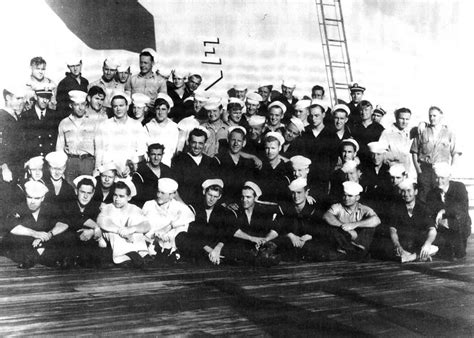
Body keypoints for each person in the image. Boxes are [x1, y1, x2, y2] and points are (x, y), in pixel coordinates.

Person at [2, 181, 74, 269]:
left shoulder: (50, 208)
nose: (32, 202)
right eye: (29, 197)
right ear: (26, 196)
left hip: (43, 243)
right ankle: (45, 256)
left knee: (65, 237)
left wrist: (48, 235)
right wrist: (35, 233)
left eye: (36, 198)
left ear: (42, 198)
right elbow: (11, 226)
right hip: (26, 245)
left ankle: (36, 255)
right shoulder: (19, 208)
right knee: (14, 239)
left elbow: (64, 223)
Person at [371, 178, 438, 263]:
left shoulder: (423, 207)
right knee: (383, 245)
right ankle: (417, 256)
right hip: (402, 242)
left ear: (416, 192)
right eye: (403, 191)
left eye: (409, 190)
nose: (406, 194)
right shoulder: (395, 207)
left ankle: (410, 257)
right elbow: (392, 230)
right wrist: (397, 245)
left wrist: (427, 244)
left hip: (417, 242)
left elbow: (432, 229)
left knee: (436, 243)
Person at [175, 179, 236, 265]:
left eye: (215, 197)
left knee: (232, 241)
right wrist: (211, 251)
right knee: (181, 236)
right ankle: (210, 258)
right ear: (204, 192)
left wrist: (217, 249)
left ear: (219, 197)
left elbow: (225, 232)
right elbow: (193, 233)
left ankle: (214, 257)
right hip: (199, 245)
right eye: (209, 195)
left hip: (215, 245)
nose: (211, 199)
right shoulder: (194, 208)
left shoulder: (222, 211)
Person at [274, 178, 336, 261]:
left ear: (306, 193)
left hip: (309, 241)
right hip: (291, 242)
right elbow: (278, 227)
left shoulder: (314, 208)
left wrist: (310, 236)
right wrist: (290, 235)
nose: (296, 196)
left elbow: (322, 228)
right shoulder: (285, 208)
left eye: (299, 192)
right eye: (293, 193)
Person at [411, 106, 461, 202]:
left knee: (441, 197)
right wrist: (419, 171)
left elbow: (455, 153)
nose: (432, 118)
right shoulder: (422, 131)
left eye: (434, 115)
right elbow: (414, 152)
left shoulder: (449, 133)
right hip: (425, 169)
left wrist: (450, 170)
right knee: (424, 198)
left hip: (441, 170)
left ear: (441, 116)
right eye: (430, 116)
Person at [97, 180, 151, 268]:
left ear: (129, 197)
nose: (117, 199)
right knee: (112, 233)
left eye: (121, 196)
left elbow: (147, 225)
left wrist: (131, 229)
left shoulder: (134, 208)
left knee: (137, 228)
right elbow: (101, 221)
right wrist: (120, 231)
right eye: (115, 195)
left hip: (129, 238)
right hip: (112, 239)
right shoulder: (108, 207)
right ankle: (123, 257)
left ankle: (141, 254)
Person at [227, 182, 281, 266]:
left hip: (259, 248)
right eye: (242, 197)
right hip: (242, 249)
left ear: (255, 198)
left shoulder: (264, 211)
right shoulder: (235, 210)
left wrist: (265, 239)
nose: (244, 200)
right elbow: (232, 230)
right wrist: (252, 238)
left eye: (248, 197)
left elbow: (277, 228)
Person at [323, 181, 381, 258]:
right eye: (344, 195)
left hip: (358, 240)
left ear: (357, 197)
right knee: (332, 228)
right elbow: (326, 216)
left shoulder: (363, 208)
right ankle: (353, 251)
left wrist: (354, 225)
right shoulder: (337, 206)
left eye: (350, 196)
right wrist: (344, 227)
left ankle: (353, 249)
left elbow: (377, 220)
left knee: (371, 227)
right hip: (344, 238)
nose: (346, 198)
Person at [142, 178, 195, 260]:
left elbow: (191, 216)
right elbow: (141, 224)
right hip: (150, 245)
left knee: (182, 226)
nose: (158, 195)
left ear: (172, 195)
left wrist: (170, 226)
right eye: (158, 192)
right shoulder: (149, 204)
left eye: (162, 193)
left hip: (170, 247)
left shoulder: (178, 206)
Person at [426, 163, 471, 260]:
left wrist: (444, 211)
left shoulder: (459, 188)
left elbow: (462, 208)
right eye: (437, 178)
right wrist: (440, 221)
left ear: (449, 177)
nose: (439, 181)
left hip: (459, 227)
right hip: (441, 227)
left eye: (442, 178)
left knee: (457, 254)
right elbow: (430, 211)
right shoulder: (432, 193)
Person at [95, 92, 147, 174]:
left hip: (129, 172)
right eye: (115, 106)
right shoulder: (104, 125)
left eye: (121, 106)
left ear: (127, 107)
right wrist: (98, 171)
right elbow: (99, 153)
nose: (118, 109)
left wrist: (131, 165)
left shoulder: (136, 125)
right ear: (112, 108)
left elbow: (141, 151)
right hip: (108, 172)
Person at [65, 175, 110, 267]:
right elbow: (76, 219)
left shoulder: (96, 207)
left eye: (89, 193)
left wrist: (92, 232)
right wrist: (95, 227)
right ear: (76, 191)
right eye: (82, 192)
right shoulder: (69, 204)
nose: (85, 196)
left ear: (93, 193)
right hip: (68, 246)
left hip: (87, 248)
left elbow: (105, 224)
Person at [56, 90, 97, 184]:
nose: (80, 108)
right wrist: (60, 167)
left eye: (83, 104)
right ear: (71, 105)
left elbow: (98, 148)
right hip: (71, 162)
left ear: (86, 105)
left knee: (87, 190)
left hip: (88, 162)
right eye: (77, 105)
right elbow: (59, 148)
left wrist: (97, 168)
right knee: (70, 192)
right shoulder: (64, 123)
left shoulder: (93, 123)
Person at [301, 99, 339, 196]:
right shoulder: (305, 132)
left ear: (324, 115)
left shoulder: (331, 135)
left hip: (323, 180)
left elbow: (333, 160)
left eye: (317, 115)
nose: (313, 119)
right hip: (306, 178)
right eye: (311, 116)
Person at [171, 128, 215, 204]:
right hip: (184, 204)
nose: (197, 146)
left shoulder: (210, 162)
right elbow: (174, 188)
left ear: (205, 144)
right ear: (189, 142)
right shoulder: (179, 160)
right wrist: (184, 207)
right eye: (194, 142)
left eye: (200, 143)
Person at [213, 127, 256, 204]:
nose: (236, 143)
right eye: (233, 140)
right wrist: (225, 203)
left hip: (242, 204)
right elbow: (215, 187)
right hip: (223, 204)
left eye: (239, 141)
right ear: (228, 140)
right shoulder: (218, 160)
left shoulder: (247, 163)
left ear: (244, 143)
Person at [21, 89, 60, 160]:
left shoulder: (55, 116)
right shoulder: (25, 116)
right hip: (33, 161)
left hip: (50, 162)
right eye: (42, 97)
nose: (45, 101)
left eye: (48, 97)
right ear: (35, 97)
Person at [132, 143, 173, 208]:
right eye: (153, 154)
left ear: (162, 155)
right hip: (146, 207)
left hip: (165, 206)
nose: (156, 158)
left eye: (159, 155)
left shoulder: (166, 169)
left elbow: (173, 191)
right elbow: (138, 198)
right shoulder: (140, 171)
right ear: (148, 154)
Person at [0, 85, 27, 183]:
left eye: (22, 99)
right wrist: (4, 167)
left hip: (17, 169)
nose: (21, 102)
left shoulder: (16, 117)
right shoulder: (2, 117)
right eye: (18, 98)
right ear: (7, 98)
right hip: (5, 173)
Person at [380, 107, 415, 177]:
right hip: (393, 172)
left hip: (408, 172)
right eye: (402, 118)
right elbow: (380, 154)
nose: (404, 122)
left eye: (407, 119)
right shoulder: (387, 132)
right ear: (396, 118)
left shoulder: (410, 132)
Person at [145, 93, 179, 167]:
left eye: (163, 109)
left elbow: (175, 151)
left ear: (168, 110)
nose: (160, 112)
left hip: (168, 166)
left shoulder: (174, 128)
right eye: (158, 109)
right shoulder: (148, 127)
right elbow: (144, 150)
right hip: (150, 167)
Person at [257, 132, 291, 203]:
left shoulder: (287, 167)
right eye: (267, 148)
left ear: (279, 148)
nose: (270, 152)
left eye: (273, 148)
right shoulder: (260, 166)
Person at [351, 100, 385, 166]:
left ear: (371, 111)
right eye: (361, 110)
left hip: (373, 161)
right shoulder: (354, 127)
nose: (363, 112)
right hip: (358, 160)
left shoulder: (379, 128)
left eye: (366, 110)